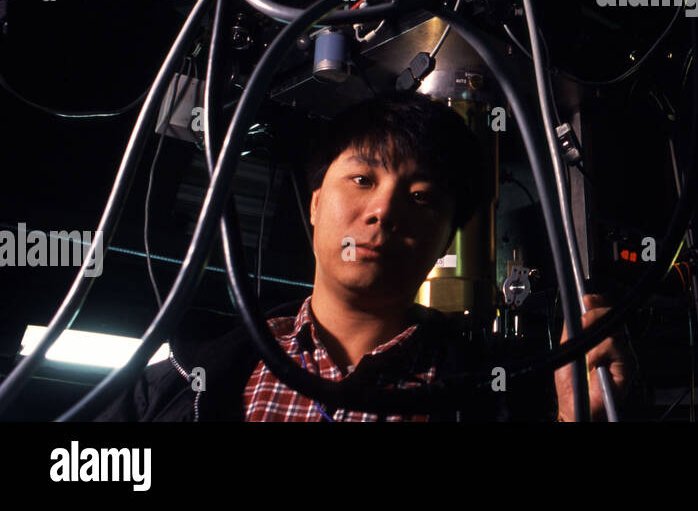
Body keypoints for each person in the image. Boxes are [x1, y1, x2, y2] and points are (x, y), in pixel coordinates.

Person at [96, 91, 635, 421]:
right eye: (362, 178)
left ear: (446, 239)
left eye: (422, 197)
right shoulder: (175, 382)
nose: (383, 210)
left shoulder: (497, 397)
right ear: (313, 202)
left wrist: (571, 418)